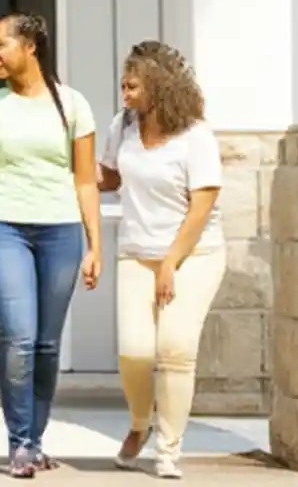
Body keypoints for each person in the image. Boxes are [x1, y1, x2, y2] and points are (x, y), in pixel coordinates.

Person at [0, 12, 103, 477]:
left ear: (30, 46)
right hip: (3, 227)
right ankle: (19, 443)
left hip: (61, 230)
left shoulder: (73, 105)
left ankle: (34, 441)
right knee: (19, 336)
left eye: (1, 45)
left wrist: (95, 244)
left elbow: (86, 182)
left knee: (47, 344)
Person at [98, 40, 226, 480]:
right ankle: (140, 423)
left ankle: (168, 448)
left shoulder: (195, 136)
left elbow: (202, 205)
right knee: (134, 351)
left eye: (132, 86)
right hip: (137, 251)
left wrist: (172, 262)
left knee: (174, 350)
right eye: (123, 85)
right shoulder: (124, 126)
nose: (125, 93)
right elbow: (110, 175)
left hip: (194, 254)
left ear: (159, 86)